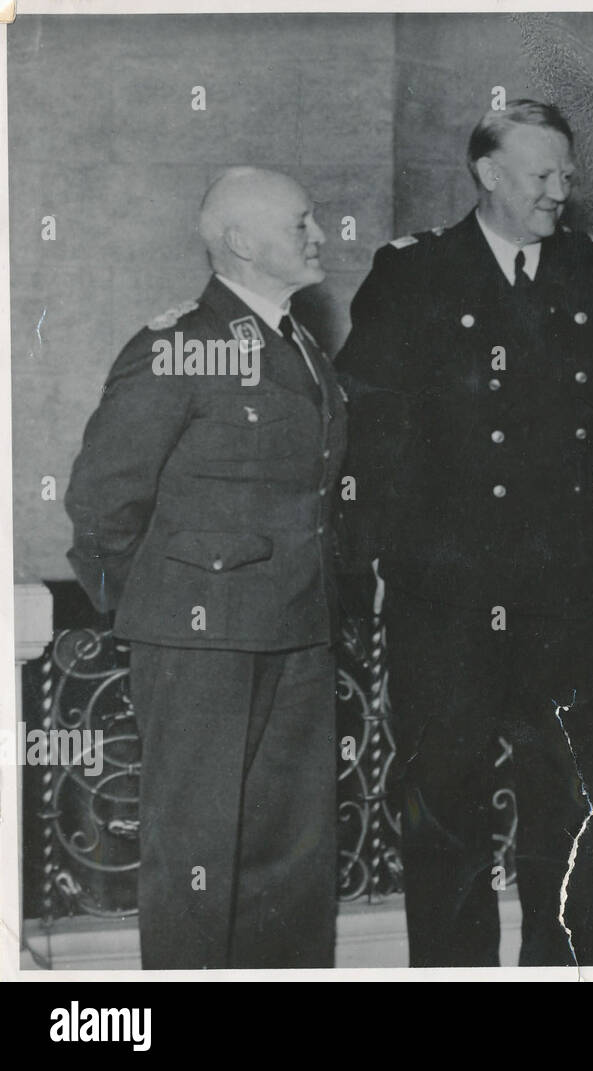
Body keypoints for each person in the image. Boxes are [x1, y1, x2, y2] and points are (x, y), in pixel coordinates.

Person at [335, 100, 593, 967]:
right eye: (540, 175)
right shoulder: (413, 274)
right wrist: (381, 563)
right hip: (447, 598)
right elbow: (372, 430)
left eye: (567, 177)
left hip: (565, 598)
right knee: (444, 814)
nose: (558, 192)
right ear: (487, 172)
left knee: (576, 810)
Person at [64, 167, 347, 968]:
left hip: (298, 632)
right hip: (199, 646)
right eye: (301, 223)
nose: (320, 234)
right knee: (196, 864)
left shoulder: (298, 345)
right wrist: (151, 611)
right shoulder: (179, 344)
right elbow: (102, 502)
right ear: (241, 242)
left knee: (293, 865)